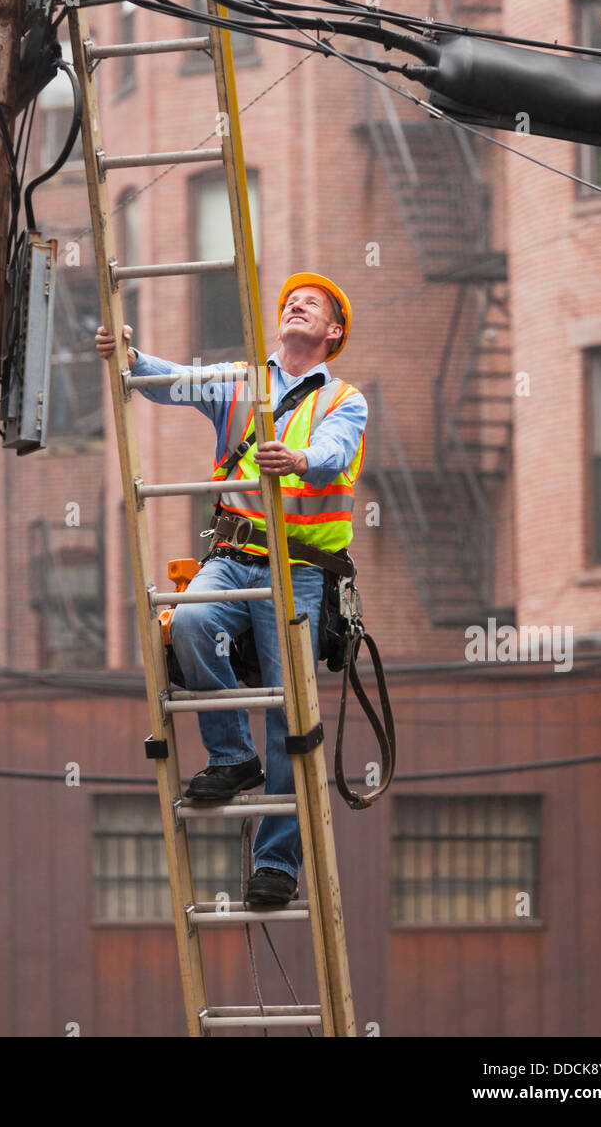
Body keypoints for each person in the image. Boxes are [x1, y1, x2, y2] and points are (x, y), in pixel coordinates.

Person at [95, 273, 367, 905]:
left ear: (333, 333)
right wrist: (130, 359)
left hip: (299, 571)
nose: (295, 304)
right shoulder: (245, 379)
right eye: (289, 300)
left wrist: (300, 460)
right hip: (235, 554)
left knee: (289, 718)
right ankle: (231, 757)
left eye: (313, 303)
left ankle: (276, 864)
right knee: (189, 625)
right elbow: (175, 380)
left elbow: (333, 450)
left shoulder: (344, 400)